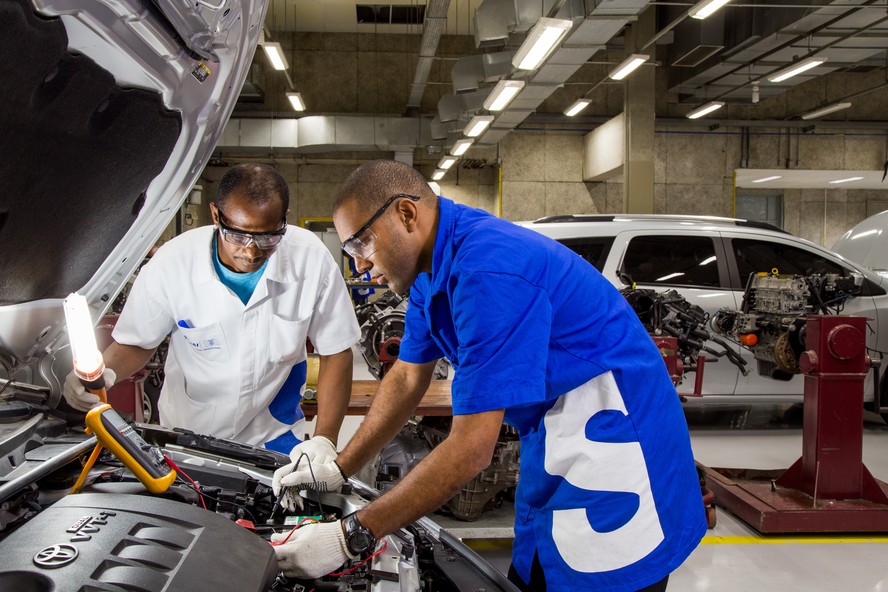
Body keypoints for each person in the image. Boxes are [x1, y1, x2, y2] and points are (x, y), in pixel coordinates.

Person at [270, 160, 706, 591]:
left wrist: (352, 537)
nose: (360, 265)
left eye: (363, 243)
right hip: (555, 431)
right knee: (538, 568)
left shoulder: (488, 272)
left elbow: (471, 449)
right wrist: (338, 467)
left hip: (617, 438)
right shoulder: (428, 270)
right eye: (351, 251)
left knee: (600, 576)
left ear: (406, 214)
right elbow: (406, 378)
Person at [63, 163, 360, 461]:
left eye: (268, 237)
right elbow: (137, 342)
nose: (252, 251)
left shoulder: (310, 260)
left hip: (275, 436)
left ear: (284, 221)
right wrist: (104, 373)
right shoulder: (172, 264)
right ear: (216, 216)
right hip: (188, 438)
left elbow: (336, 351)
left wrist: (324, 441)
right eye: (239, 236)